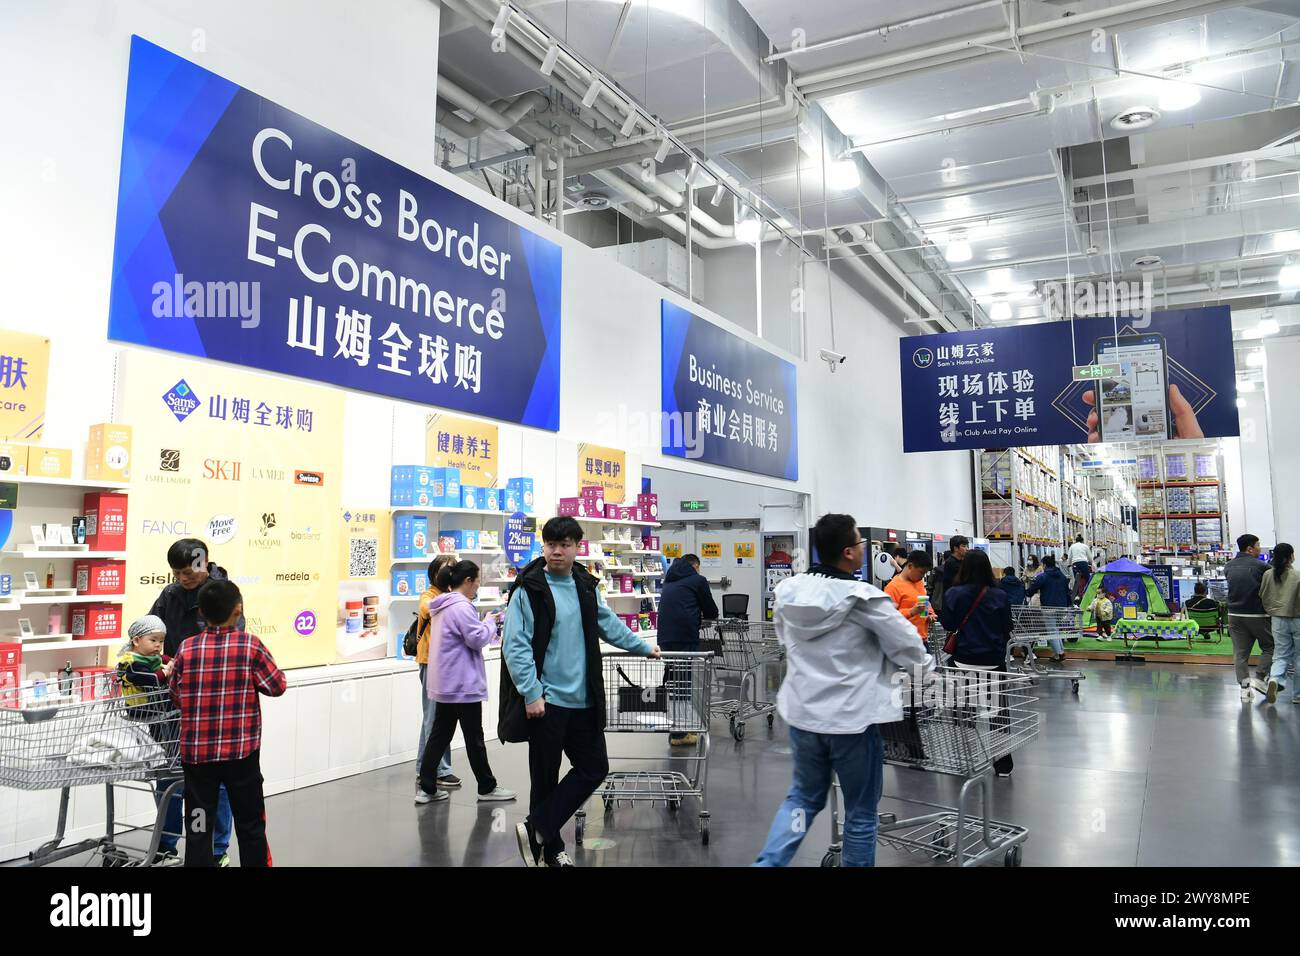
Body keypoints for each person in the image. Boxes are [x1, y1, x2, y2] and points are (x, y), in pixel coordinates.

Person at [754, 514, 932, 868]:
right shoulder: (862, 597)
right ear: (849, 552)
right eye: (861, 544)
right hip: (853, 721)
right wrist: (927, 677)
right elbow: (908, 647)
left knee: (801, 801)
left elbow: (785, 639)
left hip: (804, 716)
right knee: (861, 813)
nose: (865, 550)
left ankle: (768, 863)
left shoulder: (789, 592)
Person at [504, 517, 659, 868]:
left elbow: (607, 624)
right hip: (547, 701)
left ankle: (537, 828)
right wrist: (531, 693)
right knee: (544, 778)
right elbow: (515, 646)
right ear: (543, 547)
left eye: (565, 545)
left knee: (594, 767)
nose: (556, 552)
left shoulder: (585, 586)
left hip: (584, 701)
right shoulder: (529, 589)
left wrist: (642, 647)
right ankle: (552, 850)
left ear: (577, 547)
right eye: (550, 545)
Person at [169, 579, 286, 867]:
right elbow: (277, 686)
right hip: (241, 756)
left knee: (197, 826)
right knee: (250, 824)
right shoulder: (250, 646)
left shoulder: (187, 648)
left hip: (198, 758)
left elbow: (176, 694)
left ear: (201, 613)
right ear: (238, 610)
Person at [147, 537, 236, 865]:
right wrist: (145, 657)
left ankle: (216, 852)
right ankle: (165, 846)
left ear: (203, 564)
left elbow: (228, 643)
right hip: (171, 700)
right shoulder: (169, 595)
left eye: (187, 572)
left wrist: (186, 662)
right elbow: (150, 631)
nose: (181, 579)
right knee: (168, 775)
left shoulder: (223, 595)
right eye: (176, 573)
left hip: (211, 702)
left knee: (215, 782)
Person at [416, 560, 515, 804]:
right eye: (477, 582)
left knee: (440, 734)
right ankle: (487, 787)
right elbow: (477, 638)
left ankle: (427, 787)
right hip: (462, 683)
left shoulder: (442, 605)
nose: (477, 587)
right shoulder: (461, 607)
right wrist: (490, 622)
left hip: (446, 682)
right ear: (468, 581)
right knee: (474, 737)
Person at [939, 550, 1015, 776]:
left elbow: (948, 624)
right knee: (998, 712)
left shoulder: (953, 594)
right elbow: (1007, 627)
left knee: (963, 712)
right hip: (993, 661)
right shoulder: (998, 595)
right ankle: (1002, 764)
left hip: (963, 661)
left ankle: (964, 760)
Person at [117, 615, 182, 863]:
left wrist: (172, 663)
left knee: (170, 764)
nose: (158, 646)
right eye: (153, 640)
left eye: (161, 641)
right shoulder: (130, 662)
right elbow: (151, 678)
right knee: (166, 767)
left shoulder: (154, 657)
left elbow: (170, 661)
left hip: (161, 714)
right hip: (142, 713)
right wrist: (166, 671)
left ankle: (167, 845)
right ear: (136, 640)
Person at [657, 553, 719, 746]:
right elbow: (712, 611)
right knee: (683, 684)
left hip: (665, 638)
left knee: (675, 682)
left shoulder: (669, 580)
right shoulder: (698, 580)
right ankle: (680, 733)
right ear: (695, 566)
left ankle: (677, 728)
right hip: (684, 636)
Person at [415, 553, 459, 797]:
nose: (450, 572)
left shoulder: (447, 596)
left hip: (441, 664)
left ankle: (425, 767)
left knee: (431, 718)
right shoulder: (430, 596)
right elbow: (426, 608)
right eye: (446, 569)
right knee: (435, 718)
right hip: (430, 663)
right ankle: (439, 770)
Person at [1225, 534, 1274, 702]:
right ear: (1250, 549)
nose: (1260, 548)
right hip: (1256, 614)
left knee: (1240, 652)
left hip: (1233, 615)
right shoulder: (1263, 567)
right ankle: (1260, 678)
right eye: (1258, 545)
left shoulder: (1228, 566)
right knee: (1270, 646)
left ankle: (1244, 690)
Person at [1260, 543, 1300, 706]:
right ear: (1291, 556)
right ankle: (1297, 695)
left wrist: (1272, 610)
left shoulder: (1268, 574)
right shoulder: (1297, 575)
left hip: (1277, 619)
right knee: (1299, 657)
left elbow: (1263, 594)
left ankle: (1275, 679)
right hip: (1298, 619)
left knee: (1281, 654)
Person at [1026, 554, 1071, 662]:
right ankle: (1060, 652)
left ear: (1045, 565)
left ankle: (1059, 653)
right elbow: (1067, 591)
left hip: (1049, 607)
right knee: (1056, 630)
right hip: (1062, 607)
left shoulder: (1043, 576)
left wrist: (1027, 592)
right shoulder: (1062, 576)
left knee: (1051, 631)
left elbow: (1033, 588)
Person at [885, 550, 935, 643]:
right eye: (921, 572)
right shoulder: (892, 588)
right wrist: (911, 612)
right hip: (904, 643)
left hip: (922, 639)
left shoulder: (919, 582)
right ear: (910, 566)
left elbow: (924, 602)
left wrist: (930, 614)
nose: (922, 577)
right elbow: (888, 618)